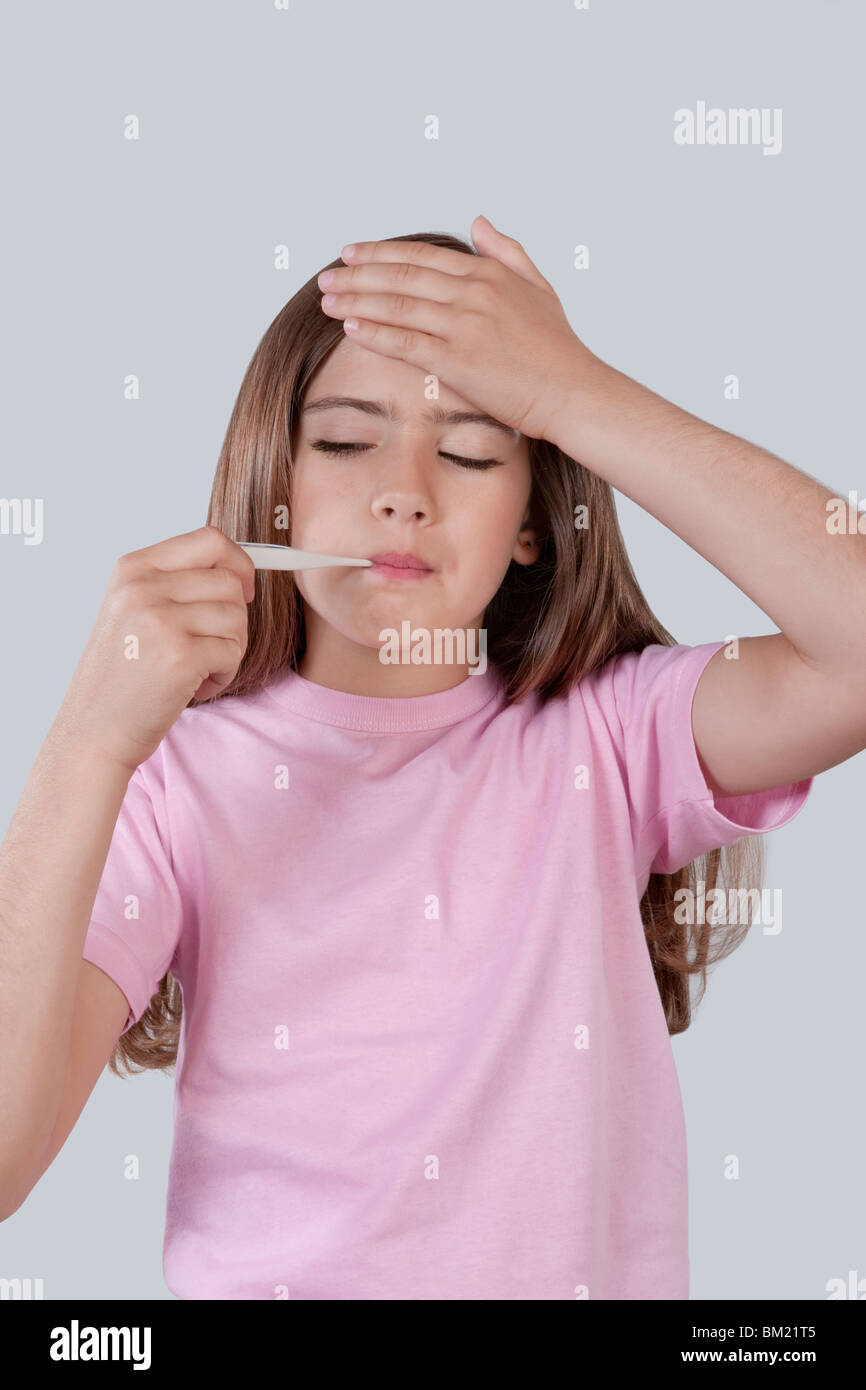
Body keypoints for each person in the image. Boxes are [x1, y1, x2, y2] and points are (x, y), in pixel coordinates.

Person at [2, 216, 861, 1300]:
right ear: (277, 486)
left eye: (467, 448)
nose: (405, 488)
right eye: (348, 440)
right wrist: (84, 742)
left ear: (530, 526)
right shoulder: (174, 782)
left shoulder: (607, 736)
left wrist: (570, 392)